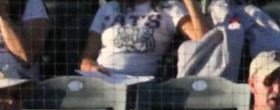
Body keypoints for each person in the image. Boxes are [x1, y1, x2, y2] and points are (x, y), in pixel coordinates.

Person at [79, 0, 212, 84]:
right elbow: (87, 58)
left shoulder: (170, 8)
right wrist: (92, 68)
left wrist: (189, 3)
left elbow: (204, 39)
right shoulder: (109, 8)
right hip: (103, 80)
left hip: (143, 84)